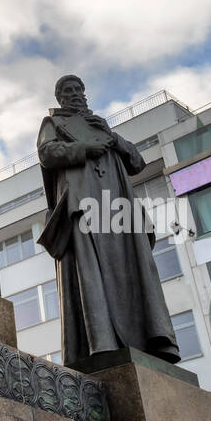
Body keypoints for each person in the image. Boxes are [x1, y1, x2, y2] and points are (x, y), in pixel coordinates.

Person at [36, 75, 180, 367]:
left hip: (118, 209)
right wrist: (83, 150)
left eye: (79, 89)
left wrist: (114, 138)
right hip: (83, 204)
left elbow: (137, 162)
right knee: (91, 272)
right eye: (68, 91)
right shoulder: (53, 123)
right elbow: (47, 153)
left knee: (134, 268)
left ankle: (151, 339)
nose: (75, 94)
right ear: (60, 97)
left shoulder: (101, 124)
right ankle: (101, 341)